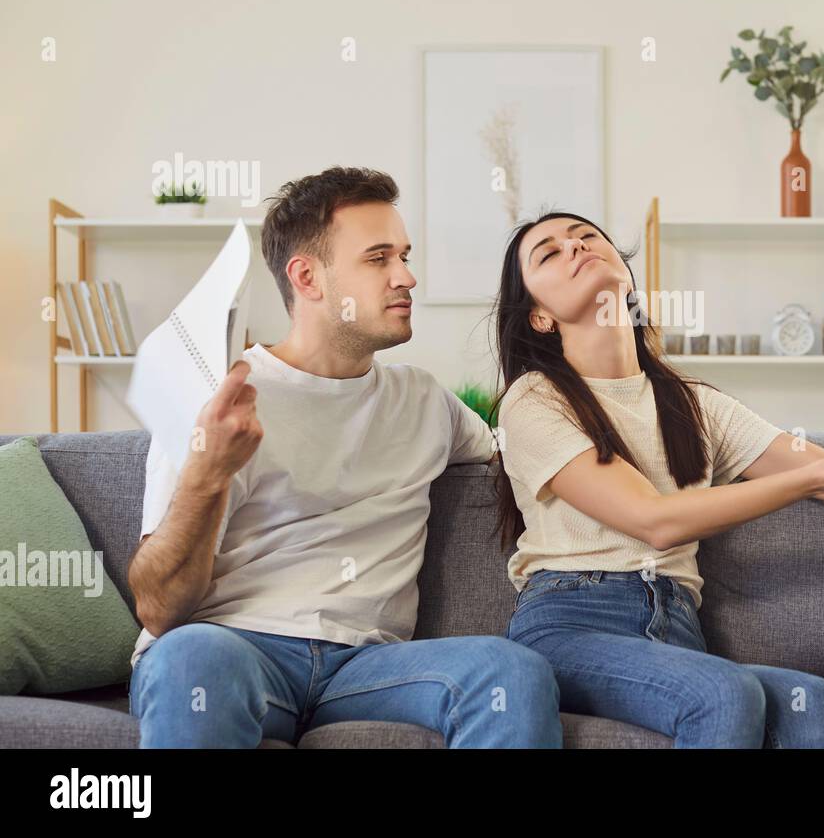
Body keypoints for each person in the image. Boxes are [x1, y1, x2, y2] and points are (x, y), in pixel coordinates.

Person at [491, 210, 824, 748]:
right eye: (550, 253)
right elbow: (653, 522)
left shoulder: (693, 404)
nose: (577, 247)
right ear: (539, 316)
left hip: (675, 629)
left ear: (626, 275)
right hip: (572, 624)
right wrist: (823, 475)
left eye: (587, 237)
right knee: (724, 694)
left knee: (809, 699)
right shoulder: (535, 401)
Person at [126, 167, 561, 748]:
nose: (406, 277)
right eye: (378, 259)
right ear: (307, 278)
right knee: (190, 658)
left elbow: (531, 458)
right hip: (234, 650)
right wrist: (210, 473)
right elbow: (158, 608)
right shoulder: (221, 400)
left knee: (510, 672)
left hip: (369, 668)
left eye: (404, 255)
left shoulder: (424, 400)